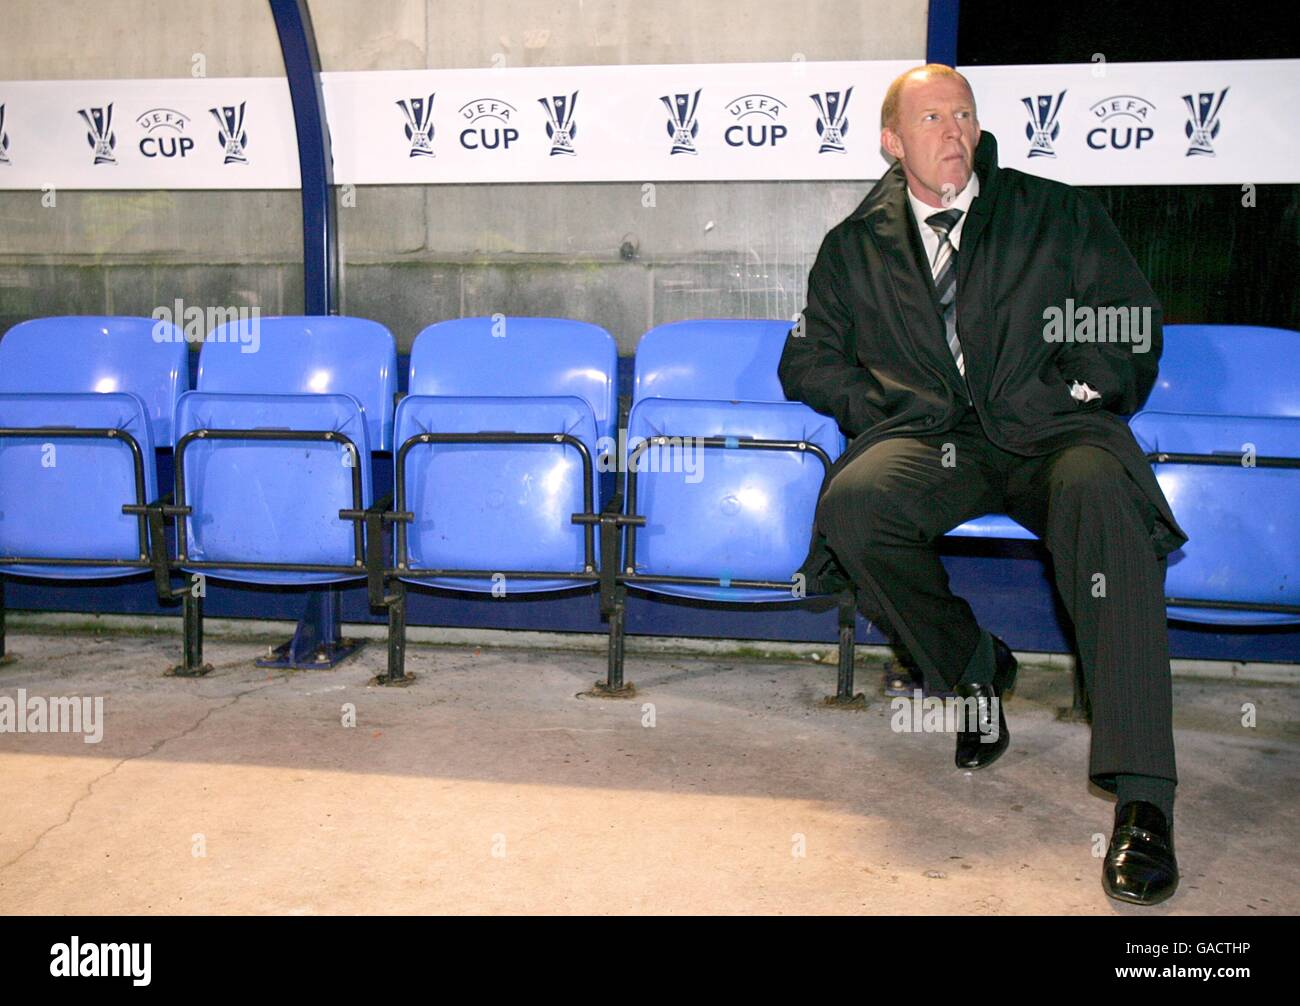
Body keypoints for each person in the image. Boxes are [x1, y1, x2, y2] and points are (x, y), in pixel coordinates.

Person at [777, 64, 1185, 906]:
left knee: (1106, 500)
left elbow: (1128, 325)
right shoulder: (854, 245)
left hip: (1053, 432)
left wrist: (1076, 388)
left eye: (963, 113)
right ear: (893, 142)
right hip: (937, 438)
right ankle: (974, 671)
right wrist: (881, 400)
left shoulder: (1053, 212)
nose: (953, 129)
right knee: (854, 507)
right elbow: (807, 356)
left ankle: (1143, 798)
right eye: (931, 117)